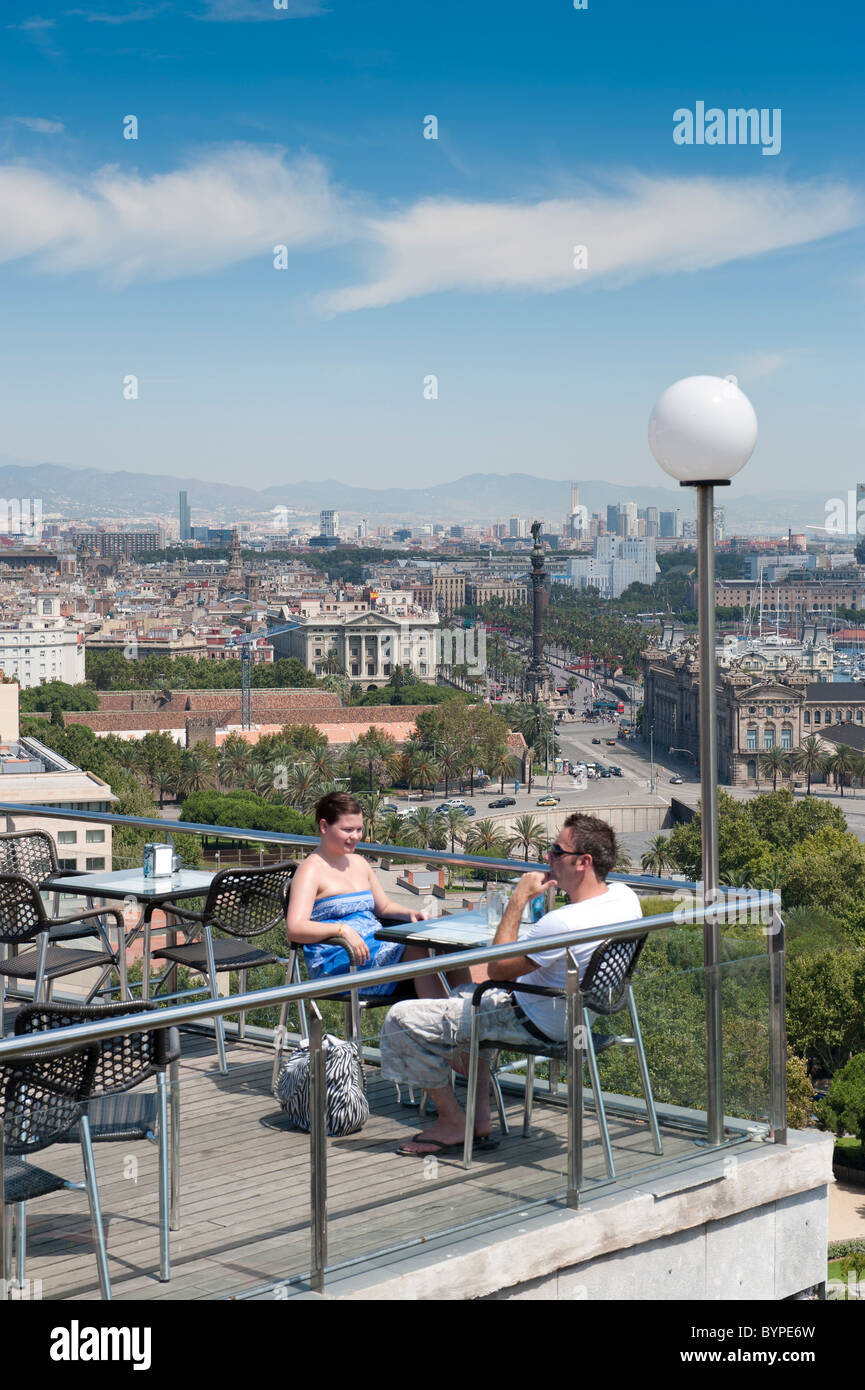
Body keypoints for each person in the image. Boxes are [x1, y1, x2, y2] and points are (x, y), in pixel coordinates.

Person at [380, 812, 642, 1155]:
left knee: (401, 1020)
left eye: (556, 852)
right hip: (577, 1015)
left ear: (584, 862)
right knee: (465, 993)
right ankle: (479, 1114)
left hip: (533, 1021)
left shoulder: (563, 922)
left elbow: (500, 968)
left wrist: (519, 899)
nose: (547, 857)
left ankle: (451, 1120)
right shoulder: (625, 898)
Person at [286, 790, 450, 1001]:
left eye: (358, 829)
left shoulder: (359, 863)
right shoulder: (310, 871)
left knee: (446, 946)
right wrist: (342, 930)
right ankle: (443, 1022)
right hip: (339, 957)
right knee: (419, 947)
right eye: (347, 830)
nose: (355, 836)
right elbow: (295, 928)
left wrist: (412, 914)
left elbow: (384, 907)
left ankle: (464, 1016)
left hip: (372, 944)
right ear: (324, 826)